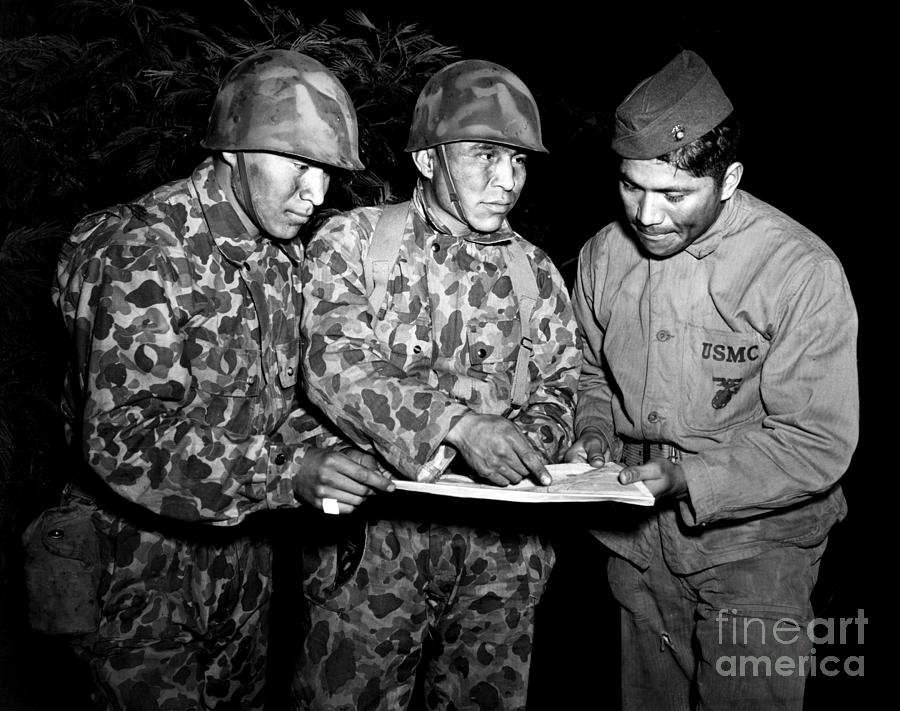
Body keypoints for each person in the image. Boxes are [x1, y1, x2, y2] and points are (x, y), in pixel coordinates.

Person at [48, 49, 394, 710]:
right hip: (137, 581)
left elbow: (274, 400)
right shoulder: (146, 252)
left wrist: (341, 451)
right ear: (234, 150)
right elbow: (122, 436)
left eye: (326, 173)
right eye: (299, 166)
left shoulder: (277, 253)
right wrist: (287, 473)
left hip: (241, 573)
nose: (316, 194)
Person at [565, 49, 859, 710]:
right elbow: (584, 371)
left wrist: (693, 480)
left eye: (673, 194)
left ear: (728, 180)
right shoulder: (603, 257)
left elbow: (817, 439)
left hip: (759, 546)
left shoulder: (798, 271)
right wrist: (589, 437)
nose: (645, 214)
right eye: (630, 186)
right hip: (638, 545)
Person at [293, 59, 581, 710]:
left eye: (518, 162)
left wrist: (528, 444)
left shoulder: (534, 272)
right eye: (484, 156)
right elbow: (333, 359)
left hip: (500, 563)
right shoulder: (355, 243)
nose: (506, 180)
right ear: (426, 158)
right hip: (371, 556)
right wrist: (455, 426)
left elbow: (562, 382)